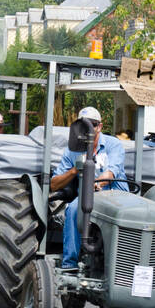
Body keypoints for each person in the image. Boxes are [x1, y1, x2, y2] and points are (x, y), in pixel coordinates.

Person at [50, 106, 127, 271]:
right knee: (72, 209)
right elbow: (54, 184)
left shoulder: (113, 145)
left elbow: (111, 172)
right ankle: (69, 266)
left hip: (116, 197)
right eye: (83, 124)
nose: (88, 128)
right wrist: (73, 171)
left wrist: (95, 183)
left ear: (99, 126)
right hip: (88, 199)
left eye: (92, 124)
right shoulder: (72, 151)